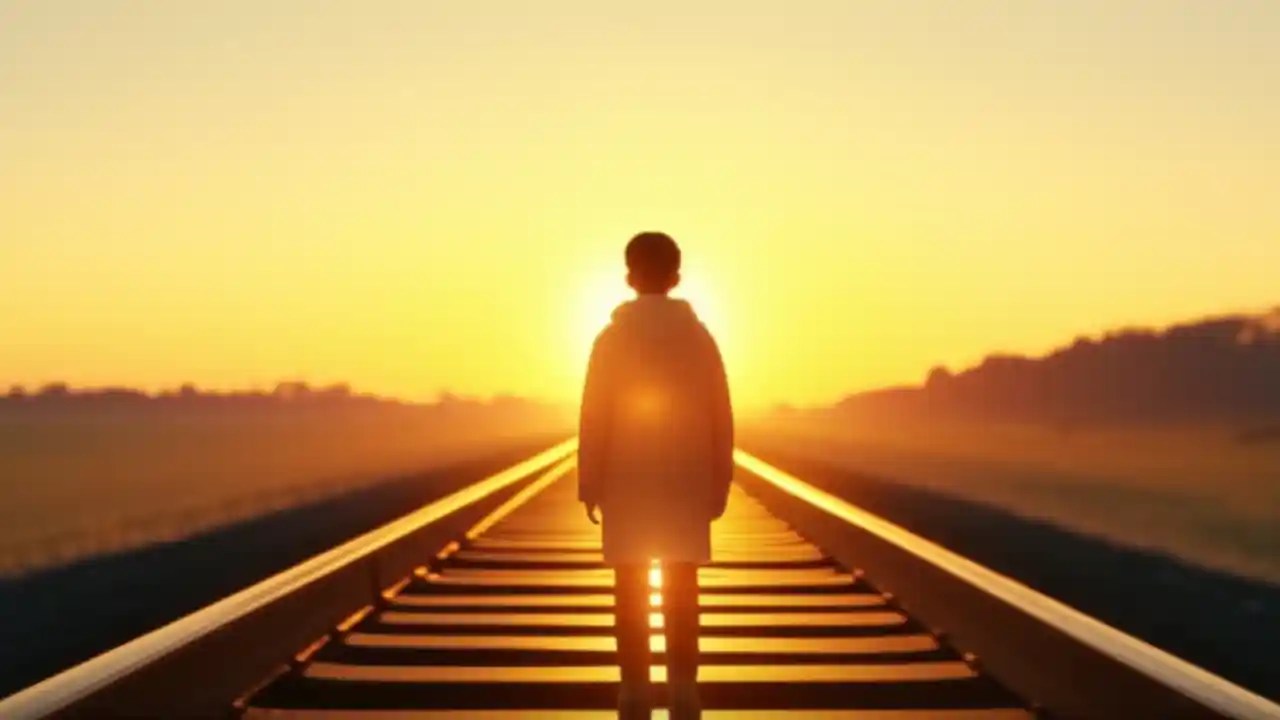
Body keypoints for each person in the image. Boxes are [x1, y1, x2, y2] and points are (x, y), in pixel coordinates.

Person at [578, 232, 735, 720]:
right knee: (682, 582)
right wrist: (720, 479)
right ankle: (685, 690)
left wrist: (590, 481)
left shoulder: (610, 339)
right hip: (686, 480)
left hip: (626, 481)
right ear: (677, 278)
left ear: (629, 277)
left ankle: (633, 692)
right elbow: (721, 414)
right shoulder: (700, 337)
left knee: (628, 583)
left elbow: (594, 414)